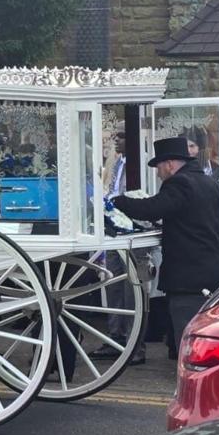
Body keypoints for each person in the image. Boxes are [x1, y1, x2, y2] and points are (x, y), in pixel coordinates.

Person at [112, 137, 219, 346]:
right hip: (212, 269)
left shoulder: (179, 183)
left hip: (188, 273)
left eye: (158, 168)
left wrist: (117, 201)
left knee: (188, 338)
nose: (157, 173)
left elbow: (151, 209)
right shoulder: (212, 184)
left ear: (169, 164)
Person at [88, 127, 147, 365]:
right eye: (116, 137)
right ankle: (115, 337)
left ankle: (135, 344)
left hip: (135, 230)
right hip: (113, 228)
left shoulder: (141, 165)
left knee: (133, 289)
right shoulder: (115, 164)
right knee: (113, 284)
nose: (118, 141)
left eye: (123, 136)